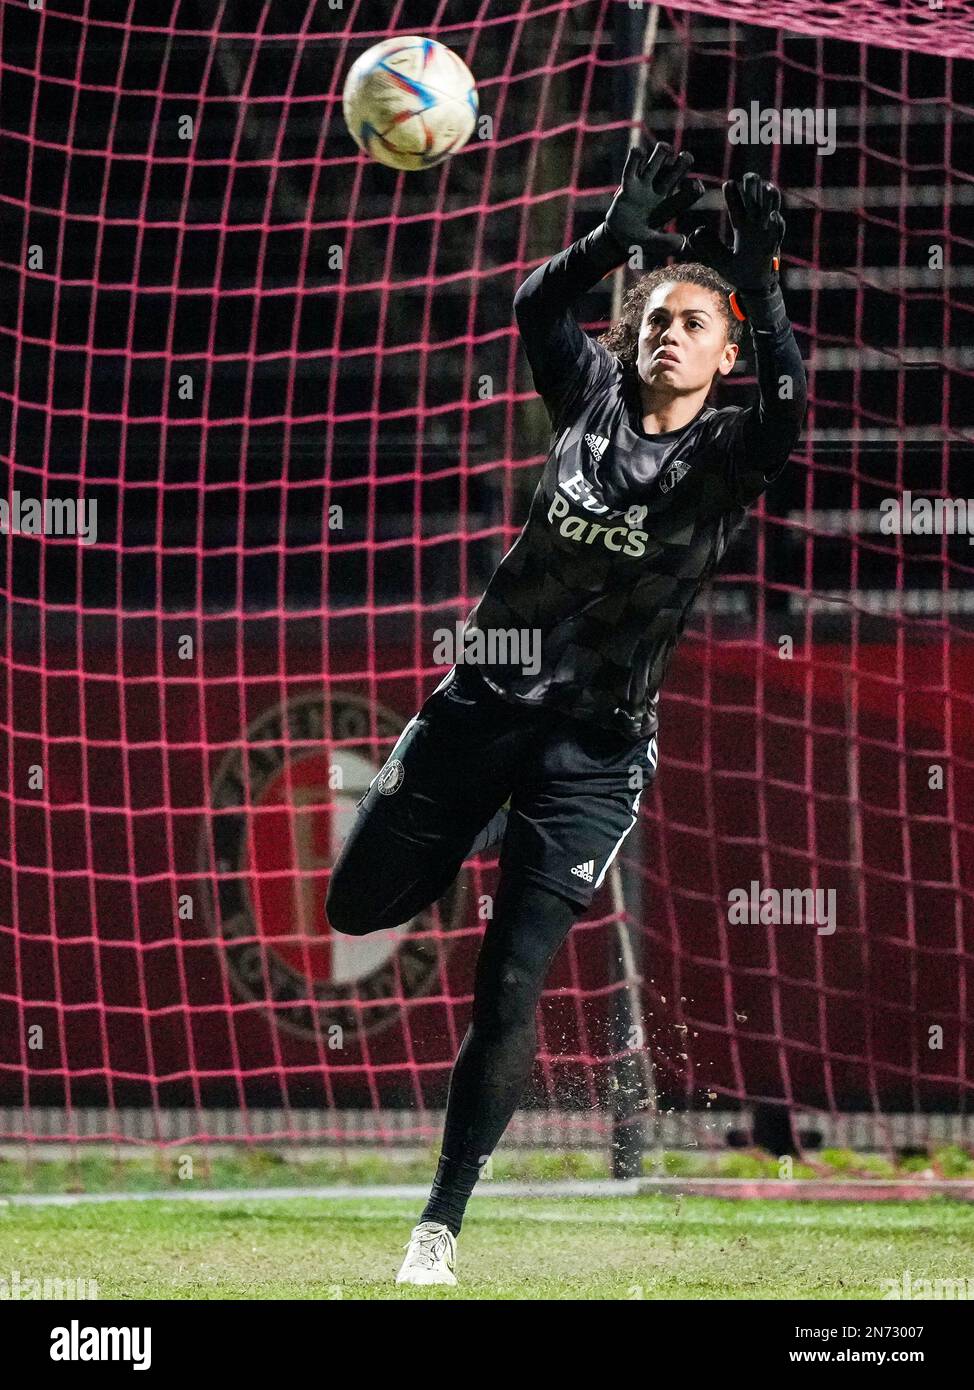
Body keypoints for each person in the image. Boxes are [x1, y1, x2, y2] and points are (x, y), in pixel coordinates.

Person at [325, 142, 807, 1286]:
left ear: (724, 352)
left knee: (511, 975)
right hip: (483, 702)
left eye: (696, 321)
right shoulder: (586, 398)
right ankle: (475, 824)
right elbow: (531, 304)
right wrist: (605, 242)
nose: (668, 331)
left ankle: (436, 1227)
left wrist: (767, 289)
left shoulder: (726, 453)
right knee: (356, 906)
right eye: (656, 316)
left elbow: (790, 411)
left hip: (592, 753)